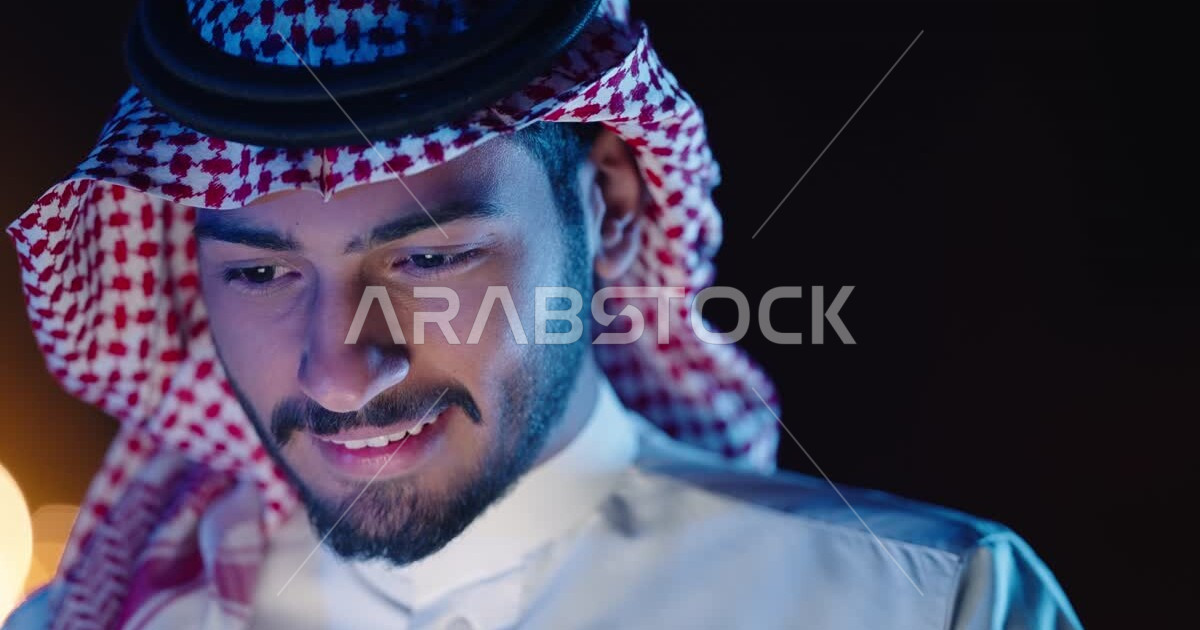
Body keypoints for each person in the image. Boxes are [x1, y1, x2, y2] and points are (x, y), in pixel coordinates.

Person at [3, 1, 1082, 628]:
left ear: (607, 203)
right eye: (260, 275)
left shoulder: (928, 606)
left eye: (429, 256)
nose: (338, 372)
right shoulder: (107, 614)